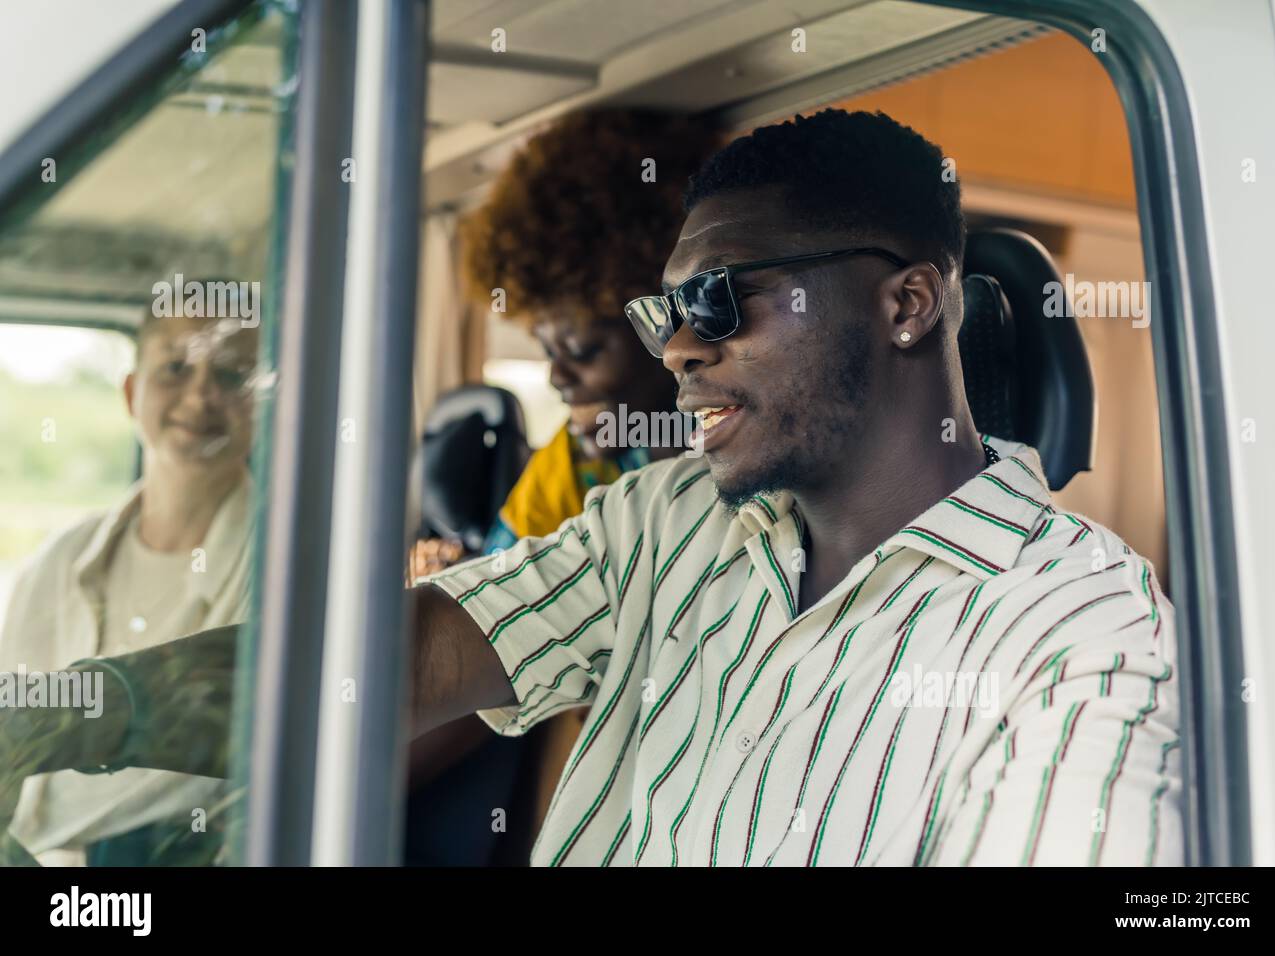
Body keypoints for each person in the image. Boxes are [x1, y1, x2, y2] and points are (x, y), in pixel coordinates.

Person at [1, 109, 1180, 866]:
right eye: (663, 311)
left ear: (908, 304)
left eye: (718, 300)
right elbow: (404, 658)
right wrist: (76, 709)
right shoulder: (669, 519)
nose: (675, 347)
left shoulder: (1080, 632)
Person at [407, 110, 719, 848]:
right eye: (544, 344)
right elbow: (483, 626)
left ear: (667, 324)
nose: (555, 374)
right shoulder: (575, 462)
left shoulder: (753, 480)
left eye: (580, 343)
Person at [0, 300, 258, 865]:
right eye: (175, 369)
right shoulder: (53, 565)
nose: (200, 396)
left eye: (230, 374)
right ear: (129, 394)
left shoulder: (283, 566)